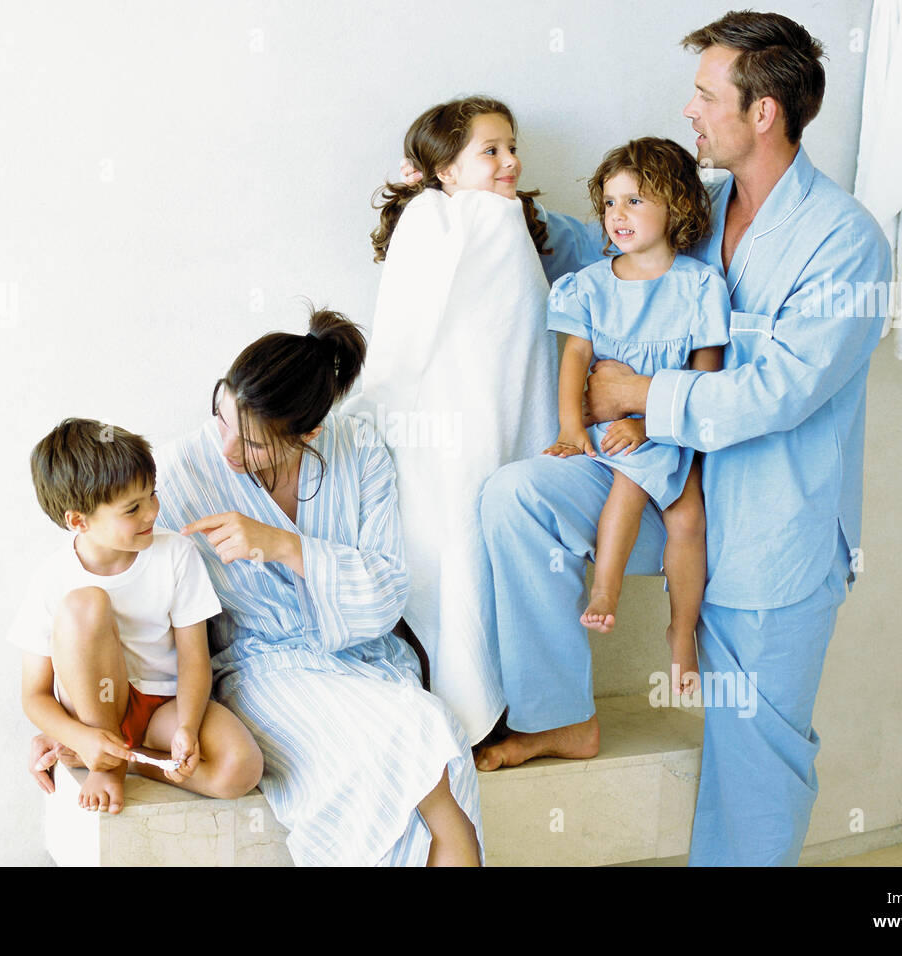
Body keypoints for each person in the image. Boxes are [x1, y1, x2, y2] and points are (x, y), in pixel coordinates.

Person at [474, 11, 893, 867]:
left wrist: (639, 392)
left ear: (764, 111)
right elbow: (618, 252)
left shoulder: (847, 243)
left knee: (755, 751)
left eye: (706, 94)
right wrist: (501, 211)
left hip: (770, 521)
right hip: (664, 485)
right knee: (517, 498)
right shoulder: (703, 204)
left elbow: (780, 390)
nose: (691, 110)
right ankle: (563, 715)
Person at [154, 306, 482, 866]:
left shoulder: (359, 451)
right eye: (223, 419)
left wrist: (283, 544)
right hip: (263, 671)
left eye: (255, 444)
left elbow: (384, 592)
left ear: (309, 432)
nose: (230, 450)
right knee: (421, 750)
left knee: (430, 731)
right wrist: (77, 717)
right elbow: (119, 578)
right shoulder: (182, 471)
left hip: (366, 661)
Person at [344, 96, 558, 744]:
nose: (510, 160)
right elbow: (414, 327)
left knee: (487, 550)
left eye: (511, 146)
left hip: (499, 412)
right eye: (490, 150)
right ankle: (462, 702)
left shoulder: (510, 219)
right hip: (447, 418)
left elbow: (516, 332)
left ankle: (503, 706)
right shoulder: (436, 220)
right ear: (446, 170)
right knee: (454, 545)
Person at [542, 138, 729, 696]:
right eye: (610, 203)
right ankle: (604, 591)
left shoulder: (700, 286)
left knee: (690, 522)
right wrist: (571, 428)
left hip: (671, 428)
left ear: (677, 206)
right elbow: (575, 357)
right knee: (627, 481)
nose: (617, 215)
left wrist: (651, 425)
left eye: (635, 201)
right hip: (608, 431)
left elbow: (706, 378)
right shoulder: (589, 286)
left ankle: (682, 632)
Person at [9, 418, 264, 815]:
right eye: (132, 508)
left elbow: (195, 659)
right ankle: (105, 757)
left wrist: (187, 727)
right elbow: (34, 695)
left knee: (241, 768)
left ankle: (130, 758)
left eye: (152, 495)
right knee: (85, 604)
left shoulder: (176, 554)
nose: (151, 514)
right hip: (95, 707)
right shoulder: (52, 579)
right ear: (79, 520)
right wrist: (81, 735)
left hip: (162, 705)